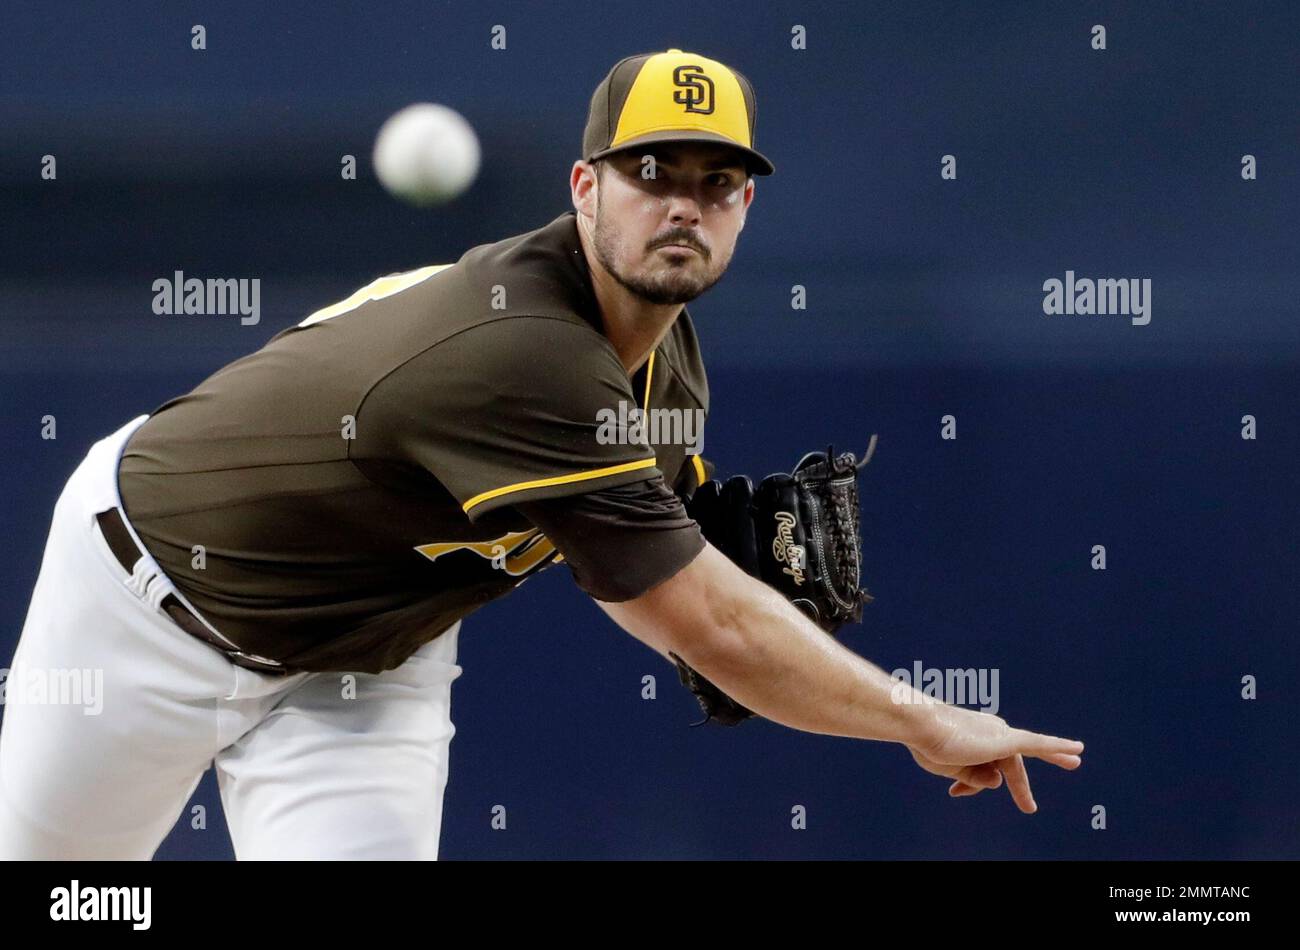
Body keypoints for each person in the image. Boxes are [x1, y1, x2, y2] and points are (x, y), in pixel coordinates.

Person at [0, 48, 1082, 861]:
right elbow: (697, 614)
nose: (682, 204)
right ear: (583, 187)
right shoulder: (528, 349)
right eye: (652, 169)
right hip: (149, 604)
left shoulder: (666, 363)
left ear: (745, 208)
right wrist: (915, 715)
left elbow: (664, 574)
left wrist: (726, 601)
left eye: (716, 183)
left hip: (362, 661)